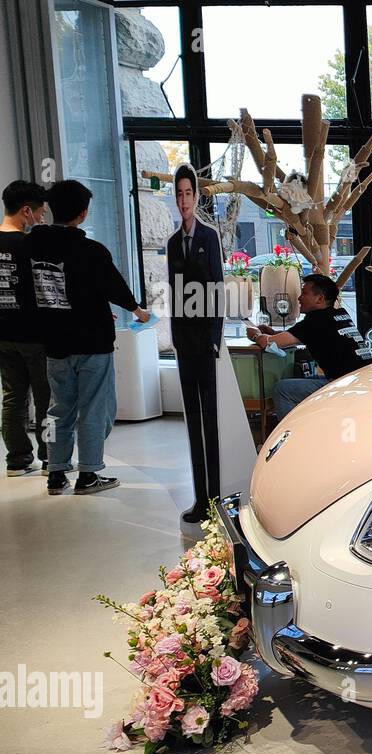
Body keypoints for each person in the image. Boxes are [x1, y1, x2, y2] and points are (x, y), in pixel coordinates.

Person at [29, 179, 150, 495]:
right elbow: (113, 287)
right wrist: (137, 310)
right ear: (83, 213)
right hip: (92, 343)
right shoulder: (91, 250)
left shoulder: (31, 247)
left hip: (54, 344)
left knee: (58, 409)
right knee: (94, 409)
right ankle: (88, 475)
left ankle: (56, 473)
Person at [165, 164, 225, 523]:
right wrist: (174, 337)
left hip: (206, 343)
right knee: (193, 425)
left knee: (211, 422)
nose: (184, 200)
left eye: (189, 193)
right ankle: (199, 498)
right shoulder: (173, 243)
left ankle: (215, 498)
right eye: (179, 194)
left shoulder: (209, 237)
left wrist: (216, 340)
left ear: (197, 196)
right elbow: (174, 294)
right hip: (184, 344)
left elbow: (217, 289)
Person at [248, 273, 372, 421]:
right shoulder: (339, 314)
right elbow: (308, 336)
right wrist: (275, 333)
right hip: (364, 379)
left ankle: (292, 436)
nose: (299, 298)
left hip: (343, 385)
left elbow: (267, 343)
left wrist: (255, 333)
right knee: (301, 377)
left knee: (282, 389)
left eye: (304, 293)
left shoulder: (315, 321)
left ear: (320, 299)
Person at [0, 180, 49, 477]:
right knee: (45, 397)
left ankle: (17, 460)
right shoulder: (30, 245)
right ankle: (49, 457)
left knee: (13, 396)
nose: (41, 220)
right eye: (40, 213)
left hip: (3, 335)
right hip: (34, 333)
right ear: (26, 211)